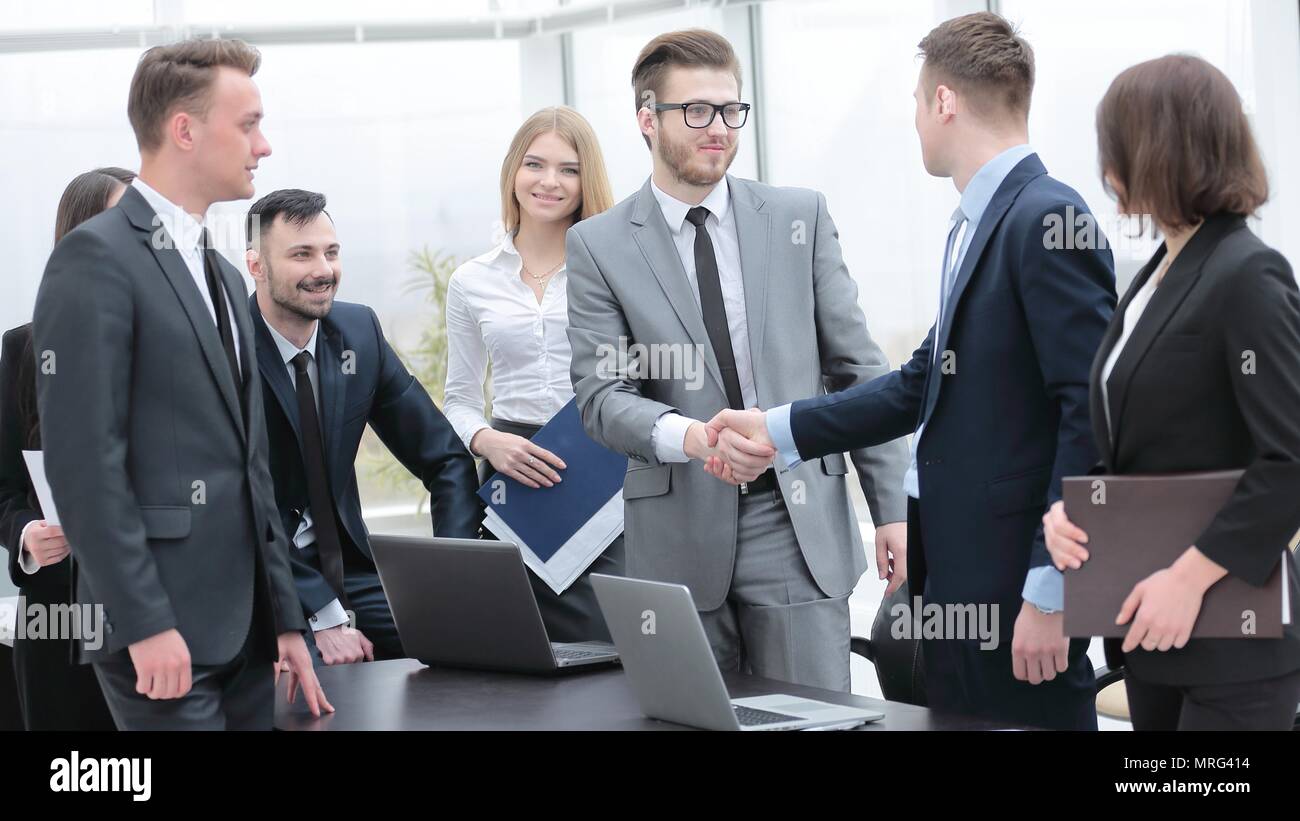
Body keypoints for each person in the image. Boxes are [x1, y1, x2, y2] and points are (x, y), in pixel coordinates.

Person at [706, 12, 1115, 728]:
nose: (917, 122)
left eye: (918, 103)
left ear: (945, 101)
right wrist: (776, 429)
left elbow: (1089, 416)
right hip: (960, 586)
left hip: (1016, 596)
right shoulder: (981, 223)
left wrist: (1051, 593)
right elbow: (918, 383)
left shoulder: (1047, 217)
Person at [564, 29, 909, 691]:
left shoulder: (797, 217)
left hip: (795, 517)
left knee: (810, 718)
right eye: (696, 110)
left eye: (730, 109)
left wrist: (890, 506)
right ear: (647, 119)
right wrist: (693, 438)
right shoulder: (599, 246)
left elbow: (859, 370)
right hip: (676, 528)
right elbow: (603, 396)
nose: (718, 127)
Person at [32, 38, 328, 730]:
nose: (265, 146)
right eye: (249, 124)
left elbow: (251, 468)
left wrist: (286, 620)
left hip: (249, 632)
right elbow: (84, 466)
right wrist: (142, 623)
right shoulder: (94, 258)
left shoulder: (224, 276)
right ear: (185, 130)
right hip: (159, 632)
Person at [1042, 54, 1300, 730]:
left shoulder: (1248, 273)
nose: (1107, 169)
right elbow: (1143, 440)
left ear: (1158, 150)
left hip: (1232, 640)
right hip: (1149, 635)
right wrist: (1076, 512)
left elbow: (1290, 459)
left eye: (1116, 147)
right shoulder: (1159, 269)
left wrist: (1189, 578)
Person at [246, 188, 480, 665]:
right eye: (301, 255)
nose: (323, 269)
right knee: (313, 683)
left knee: (465, 643)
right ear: (257, 267)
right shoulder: (226, 350)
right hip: (259, 577)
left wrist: (453, 571)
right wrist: (324, 615)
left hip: (352, 567)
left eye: (331, 252)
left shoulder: (357, 333)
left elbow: (444, 457)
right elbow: (239, 506)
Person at [443, 106, 620, 642]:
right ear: (512, 173)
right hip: (512, 475)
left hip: (604, 469)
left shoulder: (615, 269)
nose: (549, 181)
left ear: (586, 180)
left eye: (568, 169)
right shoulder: (471, 281)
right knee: (517, 640)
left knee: (605, 637)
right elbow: (458, 398)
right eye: (534, 164)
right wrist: (487, 441)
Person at [0, 167, 135, 731]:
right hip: (58, 618)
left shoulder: (184, 345)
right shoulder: (26, 349)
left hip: (165, 614)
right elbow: (5, 487)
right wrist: (26, 535)